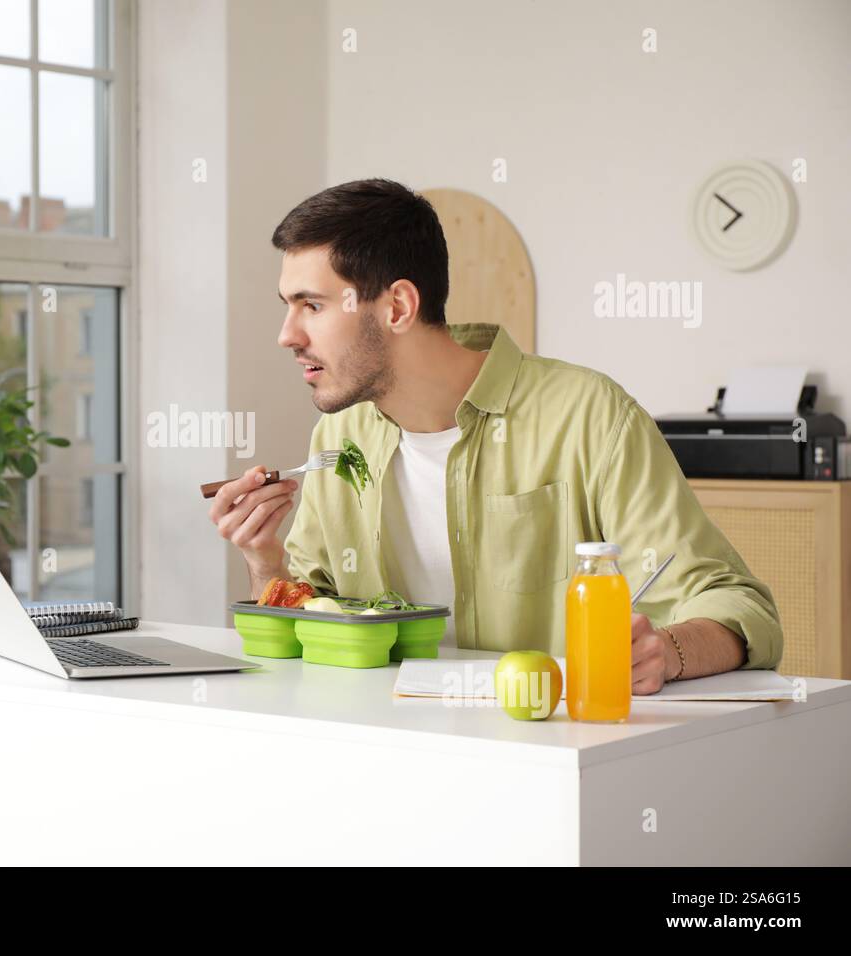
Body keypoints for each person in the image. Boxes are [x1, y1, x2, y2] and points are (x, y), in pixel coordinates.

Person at [207, 178, 781, 695]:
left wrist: (669, 653)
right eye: (289, 307)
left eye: (312, 305)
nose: (287, 335)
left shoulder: (587, 414)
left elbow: (739, 605)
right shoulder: (341, 433)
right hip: (388, 747)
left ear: (399, 307)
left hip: (554, 752)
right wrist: (265, 562)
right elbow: (312, 619)